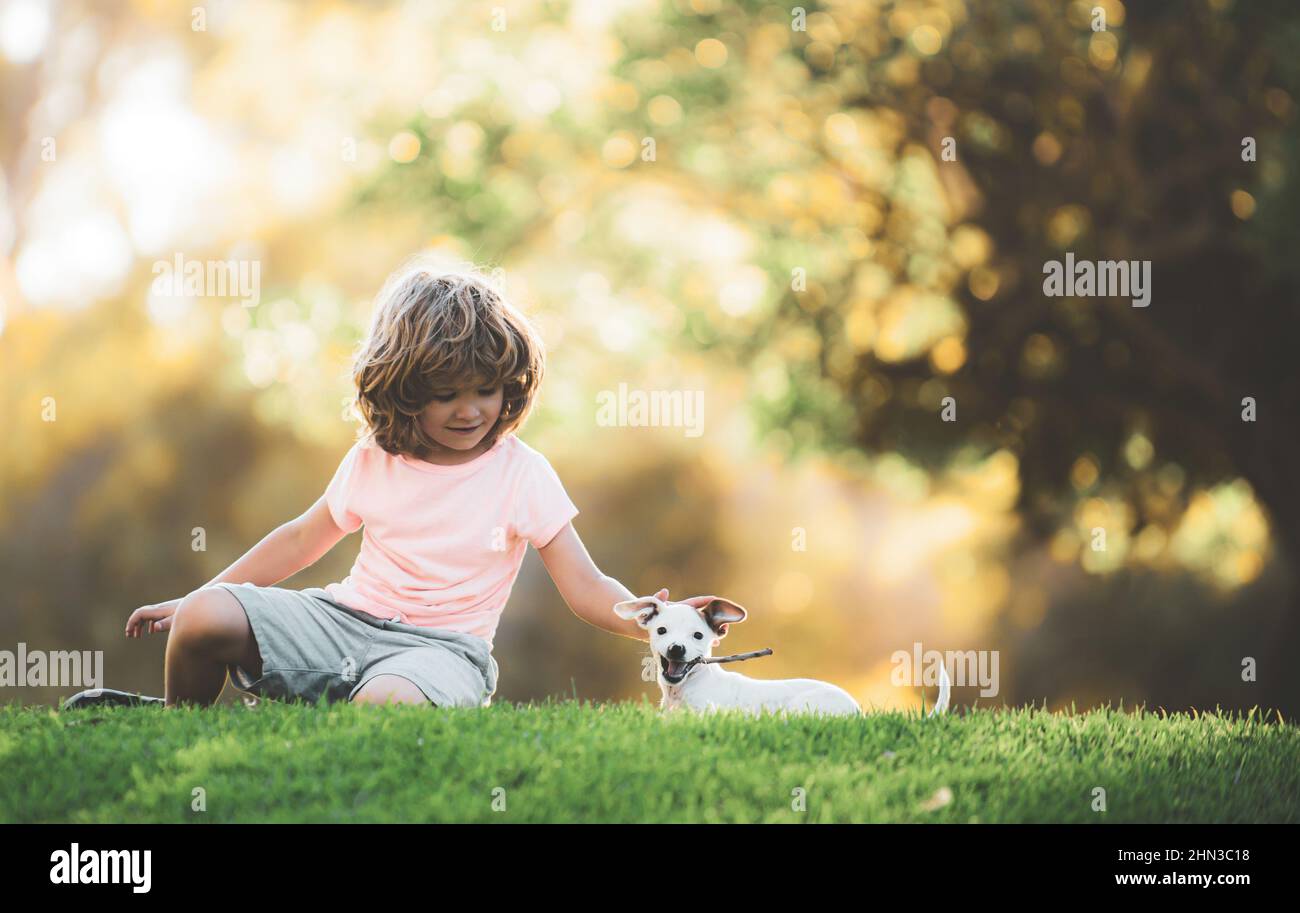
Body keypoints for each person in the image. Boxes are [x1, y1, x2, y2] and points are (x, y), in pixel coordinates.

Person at [65, 255, 711, 709]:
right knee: (207, 617)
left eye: (486, 389)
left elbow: (586, 585)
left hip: (444, 653)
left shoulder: (522, 473)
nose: (470, 410)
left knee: (385, 703)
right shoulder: (376, 456)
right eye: (445, 394)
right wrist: (192, 599)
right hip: (344, 621)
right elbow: (298, 540)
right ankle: (180, 723)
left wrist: (650, 623)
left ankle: (338, 708)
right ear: (402, 393)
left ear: (508, 384)